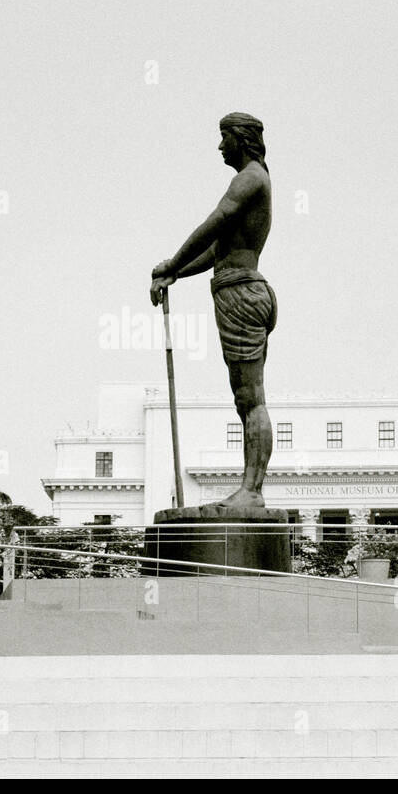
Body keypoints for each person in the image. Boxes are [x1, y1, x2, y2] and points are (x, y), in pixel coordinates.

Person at [150, 112, 276, 508]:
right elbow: (214, 250)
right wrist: (177, 274)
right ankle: (249, 490)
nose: (220, 146)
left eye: (224, 138)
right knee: (245, 398)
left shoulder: (250, 177)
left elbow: (216, 221)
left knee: (251, 398)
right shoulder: (250, 179)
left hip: (243, 294)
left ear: (241, 139)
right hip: (236, 291)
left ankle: (251, 493)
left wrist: (170, 262)